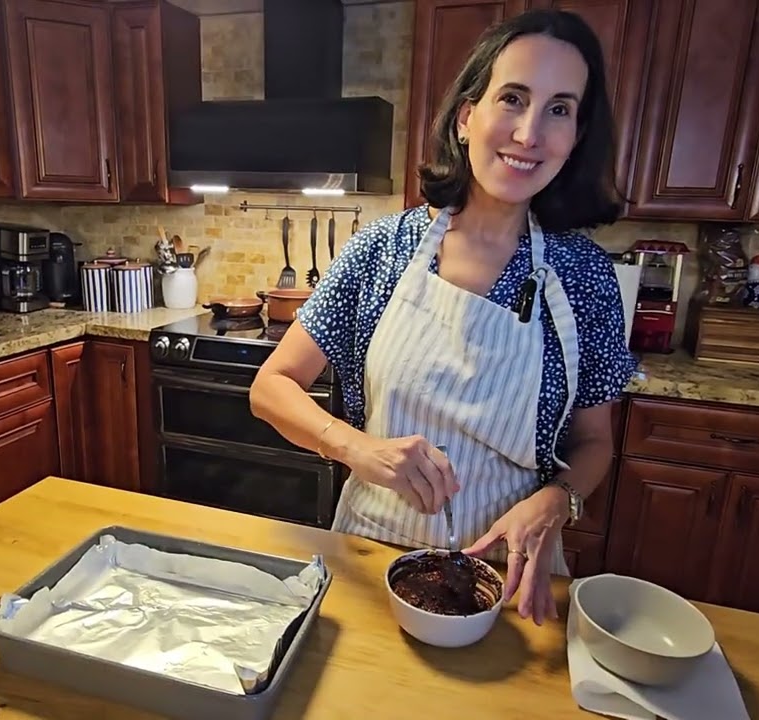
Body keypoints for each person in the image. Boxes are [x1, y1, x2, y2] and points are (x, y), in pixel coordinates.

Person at [249, 9, 637, 626]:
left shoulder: (584, 276)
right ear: (466, 117)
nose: (530, 132)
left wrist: (558, 502)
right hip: (370, 559)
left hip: (513, 575)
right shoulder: (382, 250)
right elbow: (271, 388)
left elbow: (595, 443)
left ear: (576, 136)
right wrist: (356, 448)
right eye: (513, 98)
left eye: (559, 109)